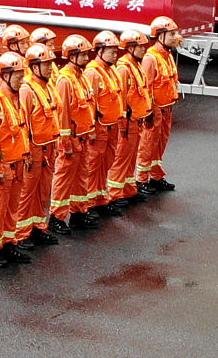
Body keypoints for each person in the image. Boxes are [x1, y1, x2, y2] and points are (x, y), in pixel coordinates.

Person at [0, 53, 31, 268]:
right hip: (2, 167)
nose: (21, 79)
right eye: (17, 75)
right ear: (5, 75)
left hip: (17, 163)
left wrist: (26, 153)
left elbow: (21, 129)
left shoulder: (15, 98)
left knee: (12, 208)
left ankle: (9, 242)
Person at [50, 36, 99, 232]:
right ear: (71, 56)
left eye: (87, 54)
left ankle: (79, 212)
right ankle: (57, 217)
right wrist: (66, 142)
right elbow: (63, 116)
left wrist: (92, 129)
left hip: (84, 136)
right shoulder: (65, 80)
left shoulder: (81, 77)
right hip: (71, 139)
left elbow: (88, 107)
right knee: (63, 177)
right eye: (82, 54)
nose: (86, 57)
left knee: (81, 176)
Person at [16, 44, 60, 247]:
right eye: (46, 65)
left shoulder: (47, 86)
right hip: (34, 149)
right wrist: (26, 153)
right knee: (27, 192)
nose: (51, 68)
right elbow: (23, 124)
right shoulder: (27, 89)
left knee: (43, 190)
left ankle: (38, 227)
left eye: (51, 64)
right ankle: (22, 233)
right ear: (34, 67)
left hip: (48, 146)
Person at [84, 31, 127, 218]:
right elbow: (88, 103)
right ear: (100, 51)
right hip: (100, 127)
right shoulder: (93, 72)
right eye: (110, 50)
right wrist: (91, 128)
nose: (114, 54)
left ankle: (101, 198)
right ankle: (89, 202)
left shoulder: (110, 70)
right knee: (93, 165)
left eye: (115, 50)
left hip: (111, 125)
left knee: (106, 163)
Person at [139, 17, 181, 194]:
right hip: (155, 110)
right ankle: (141, 180)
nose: (175, 37)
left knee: (160, 145)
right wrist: (147, 112)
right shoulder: (151, 59)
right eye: (172, 34)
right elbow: (145, 87)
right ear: (160, 36)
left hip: (166, 109)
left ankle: (156, 176)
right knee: (148, 144)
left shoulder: (168, 56)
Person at [111, 30, 152, 204]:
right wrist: (124, 125)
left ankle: (128, 189)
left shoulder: (135, 65)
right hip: (127, 122)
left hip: (136, 120)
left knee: (130, 156)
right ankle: (115, 192)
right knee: (121, 157)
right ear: (129, 48)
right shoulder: (124, 69)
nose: (144, 49)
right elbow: (121, 99)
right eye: (140, 46)